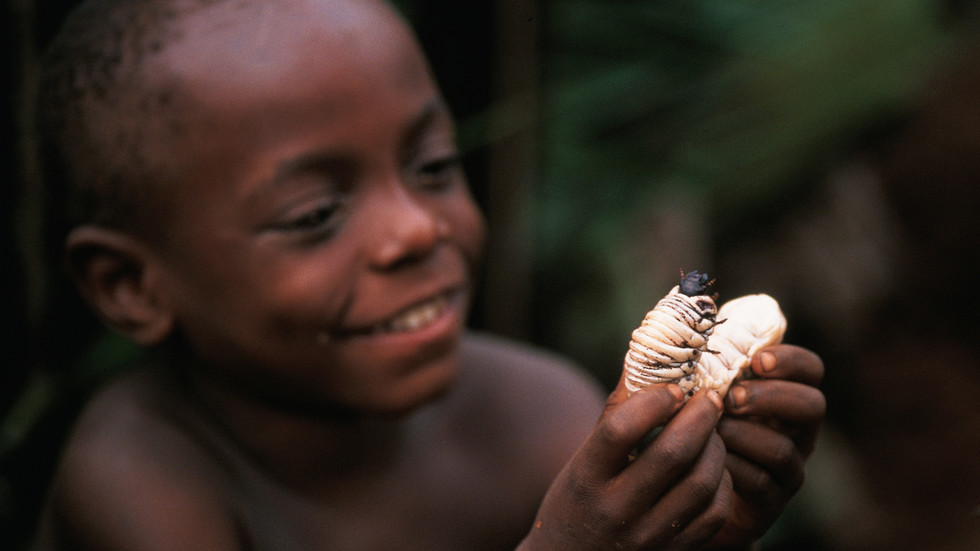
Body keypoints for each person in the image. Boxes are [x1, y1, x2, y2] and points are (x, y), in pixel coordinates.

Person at [32, 0, 825, 549]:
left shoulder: (536, 414)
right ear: (130, 286)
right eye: (315, 215)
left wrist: (713, 533)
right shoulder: (143, 486)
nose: (418, 227)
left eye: (435, 166)